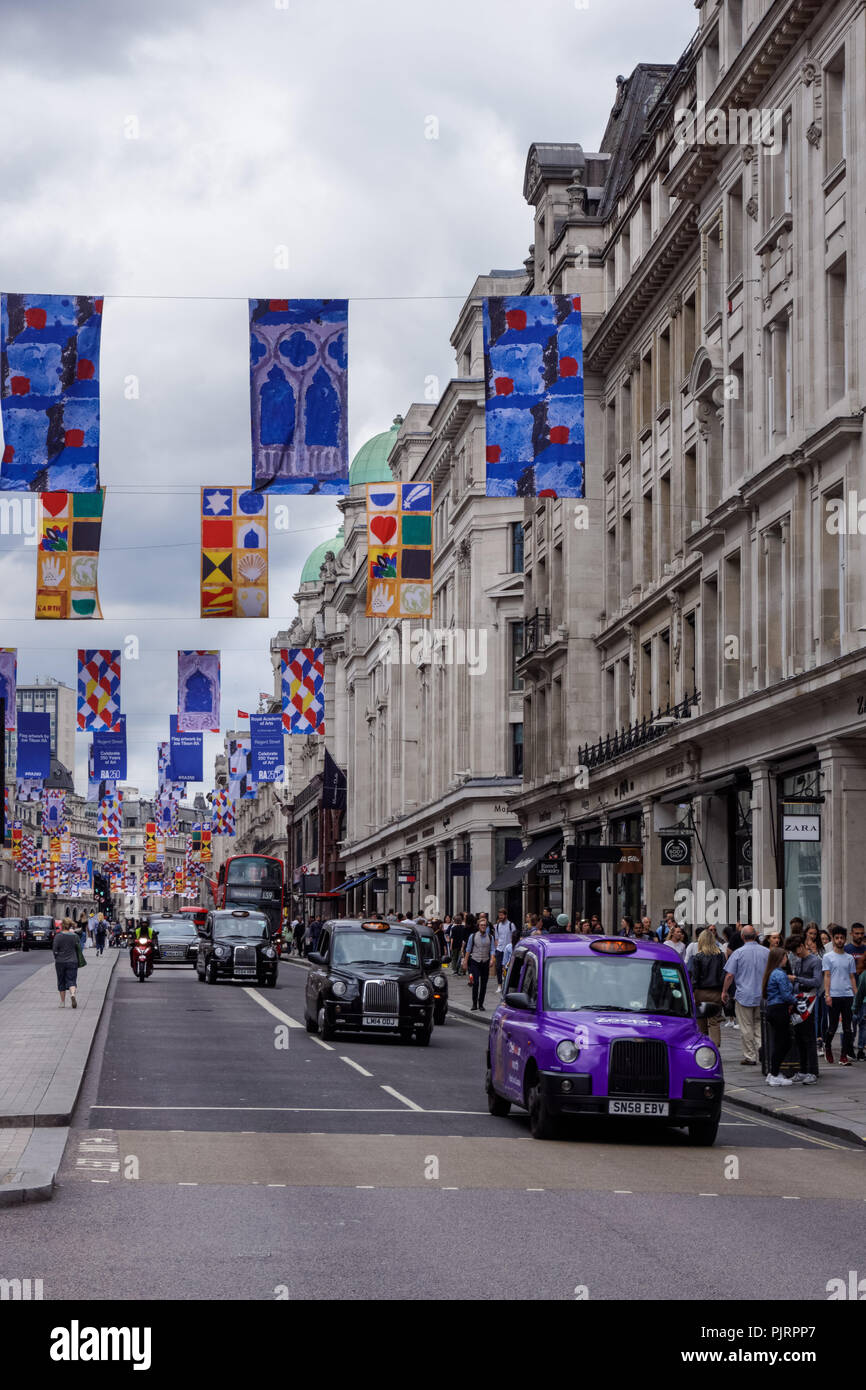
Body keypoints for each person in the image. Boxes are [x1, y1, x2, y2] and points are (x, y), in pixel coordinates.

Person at [722, 925, 766, 1066]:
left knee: (746, 1026)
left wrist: (724, 991)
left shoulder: (738, 953)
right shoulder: (766, 952)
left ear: (742, 937)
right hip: (762, 995)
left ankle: (750, 1056)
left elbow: (729, 975)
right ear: (756, 936)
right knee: (759, 1024)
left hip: (744, 995)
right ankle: (762, 1048)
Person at [787, 934, 821, 1083]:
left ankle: (812, 1071)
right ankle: (802, 1070)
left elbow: (817, 981)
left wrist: (797, 979)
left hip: (810, 1002)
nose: (795, 954)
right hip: (799, 1001)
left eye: (796, 951)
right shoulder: (799, 961)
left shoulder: (815, 961)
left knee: (809, 1038)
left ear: (801, 945)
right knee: (799, 1038)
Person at [823, 924, 857, 1065]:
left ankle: (844, 1056)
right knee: (833, 1026)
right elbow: (827, 976)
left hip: (848, 995)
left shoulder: (849, 958)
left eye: (842, 938)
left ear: (845, 939)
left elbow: (852, 977)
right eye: (837, 938)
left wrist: (856, 994)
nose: (839, 940)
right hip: (834, 995)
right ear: (833, 939)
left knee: (848, 1027)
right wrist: (827, 994)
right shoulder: (828, 957)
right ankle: (828, 1047)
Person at [762, 946, 796, 1087]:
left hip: (772, 1009)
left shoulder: (771, 973)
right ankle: (775, 1074)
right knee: (784, 1043)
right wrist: (797, 1001)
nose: (786, 959)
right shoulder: (780, 974)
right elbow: (786, 995)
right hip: (779, 1010)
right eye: (785, 956)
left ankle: (772, 1073)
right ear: (779, 958)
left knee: (779, 1042)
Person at [688, 929, 725, 1047]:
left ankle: (703, 1046)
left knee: (701, 1022)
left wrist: (692, 993)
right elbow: (724, 974)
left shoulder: (697, 957)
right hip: (716, 992)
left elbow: (695, 978)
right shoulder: (720, 956)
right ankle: (715, 1045)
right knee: (715, 1022)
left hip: (701, 992)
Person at [462, 913, 493, 1011]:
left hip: (485, 961)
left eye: (485, 925)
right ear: (478, 926)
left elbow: (492, 949)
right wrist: (465, 961)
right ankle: (474, 1003)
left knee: (484, 984)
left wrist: (492, 959)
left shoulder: (490, 937)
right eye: (481, 925)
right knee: (475, 983)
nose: (483, 927)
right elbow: (468, 949)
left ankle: (481, 1004)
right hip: (475, 960)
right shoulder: (473, 936)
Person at [53, 917, 81, 1008]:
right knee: (72, 980)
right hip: (73, 961)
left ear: (62, 925)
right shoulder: (75, 936)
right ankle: (72, 994)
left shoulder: (58, 936)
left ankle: (62, 1002)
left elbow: (54, 950)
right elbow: (79, 949)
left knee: (61, 981)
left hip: (60, 961)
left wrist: (57, 957)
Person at [492, 908, 516, 993]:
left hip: (508, 949)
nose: (500, 917)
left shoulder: (511, 925)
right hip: (500, 949)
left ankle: (507, 984)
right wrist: (496, 949)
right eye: (499, 915)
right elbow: (496, 938)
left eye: (502, 915)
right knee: (498, 967)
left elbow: (514, 937)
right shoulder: (498, 926)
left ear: (505, 915)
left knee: (508, 967)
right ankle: (499, 985)